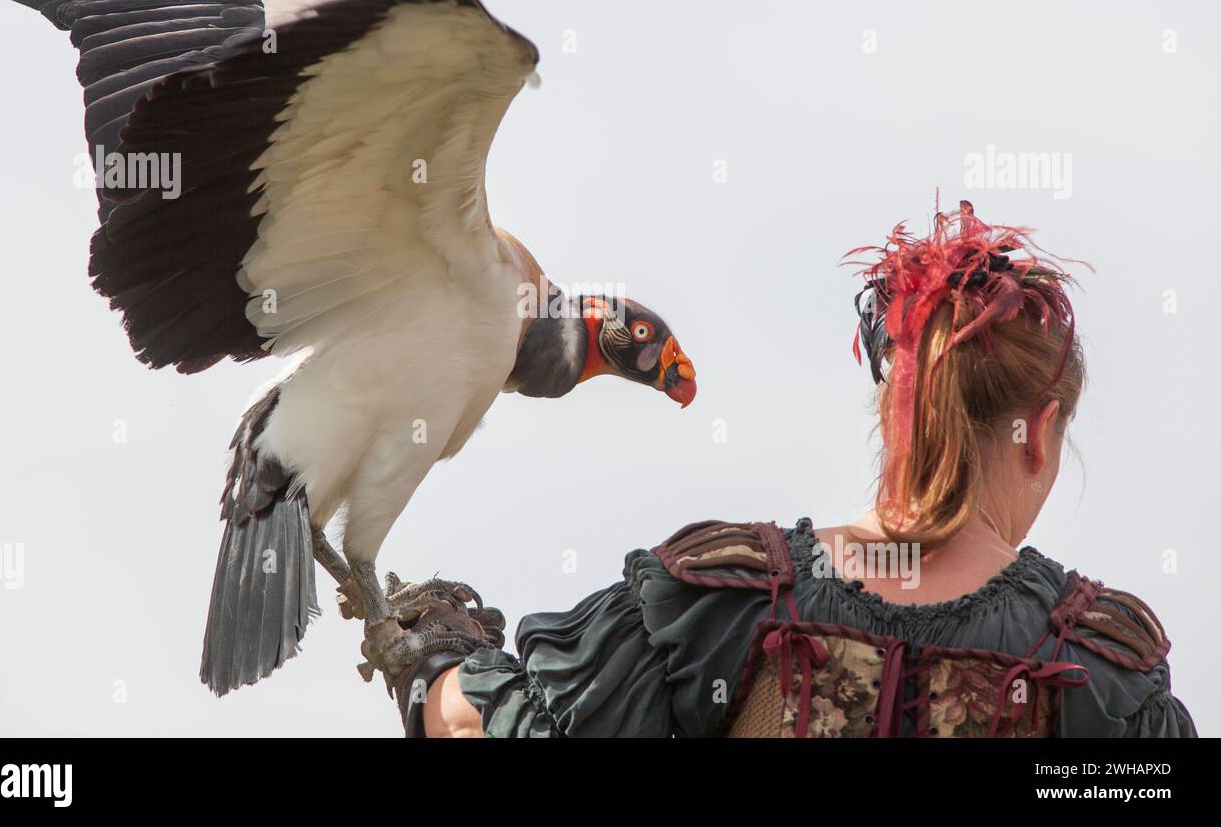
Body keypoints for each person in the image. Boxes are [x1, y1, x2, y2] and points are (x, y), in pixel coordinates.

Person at [364, 200, 1197, 738]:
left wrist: (433, 663)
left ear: (892, 411)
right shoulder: (1103, 674)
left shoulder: (718, 607)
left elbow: (494, 728)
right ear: (1039, 434)